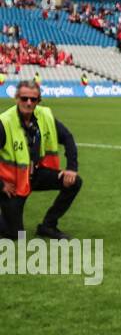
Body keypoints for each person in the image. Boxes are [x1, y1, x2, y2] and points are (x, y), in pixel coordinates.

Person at [0, 80, 82, 241]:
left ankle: (48, 225)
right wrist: (1, 185)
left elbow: (68, 138)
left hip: (35, 175)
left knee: (74, 182)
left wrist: (72, 168)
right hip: (12, 183)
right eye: (24, 98)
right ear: (16, 98)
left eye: (33, 99)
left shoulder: (45, 116)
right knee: (15, 234)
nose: (29, 103)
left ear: (39, 101)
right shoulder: (5, 123)